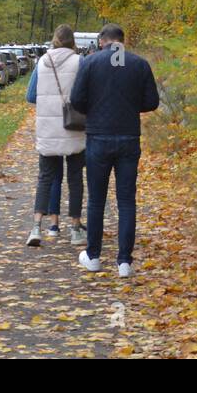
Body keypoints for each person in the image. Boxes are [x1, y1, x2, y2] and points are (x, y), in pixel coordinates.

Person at [69, 23, 159, 277]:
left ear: (101, 41)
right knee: (127, 200)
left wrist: (95, 110)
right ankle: (124, 262)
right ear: (122, 41)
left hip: (98, 136)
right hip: (129, 137)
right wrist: (129, 107)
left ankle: (94, 256)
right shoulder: (139, 64)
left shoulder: (90, 63)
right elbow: (152, 102)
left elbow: (77, 100)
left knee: (97, 200)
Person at [24, 24, 86, 248]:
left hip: (48, 129)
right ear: (73, 42)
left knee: (46, 177)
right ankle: (76, 229)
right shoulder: (80, 62)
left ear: (54, 40)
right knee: (75, 178)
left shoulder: (41, 62)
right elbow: (86, 93)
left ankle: (38, 227)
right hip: (74, 127)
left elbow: (31, 95)